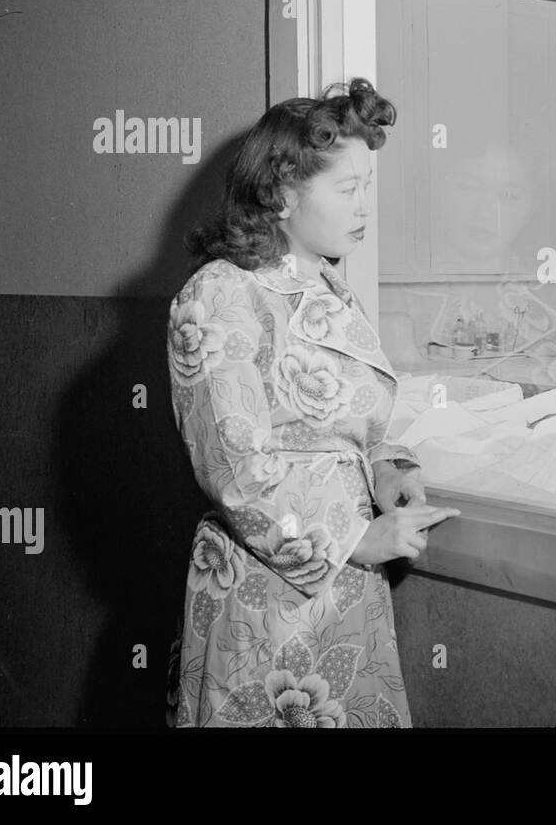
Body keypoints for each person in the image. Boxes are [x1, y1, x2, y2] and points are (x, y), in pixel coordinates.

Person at [165, 77, 459, 728]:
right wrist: (353, 538)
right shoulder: (218, 295)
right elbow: (238, 469)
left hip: (349, 598)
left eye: (367, 187)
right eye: (347, 188)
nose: (363, 207)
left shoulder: (328, 287)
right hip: (264, 599)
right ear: (282, 191)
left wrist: (386, 467)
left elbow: (351, 425)